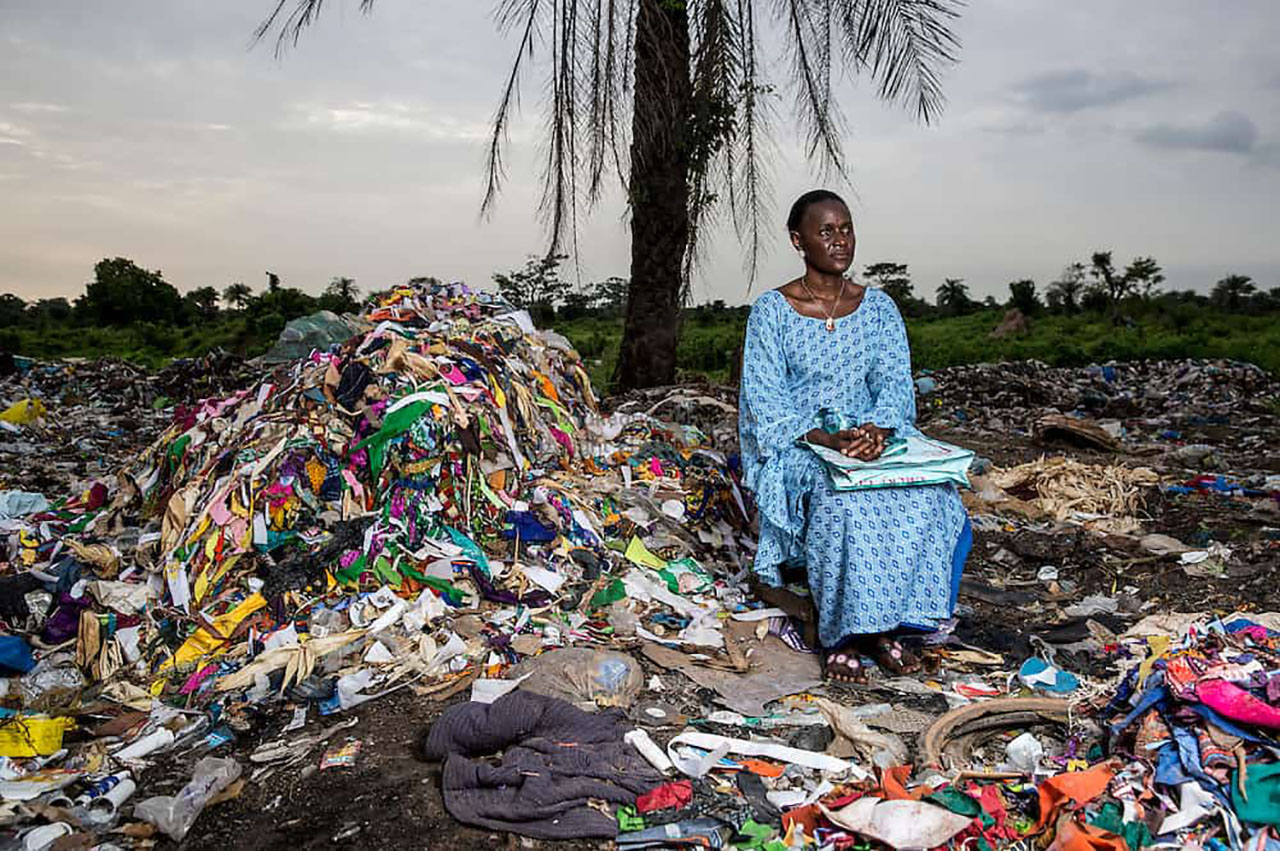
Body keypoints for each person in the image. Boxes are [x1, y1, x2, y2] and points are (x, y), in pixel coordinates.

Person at [739, 189, 972, 682]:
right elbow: (766, 404)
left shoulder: (879, 309)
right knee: (840, 500)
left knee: (935, 494)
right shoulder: (772, 312)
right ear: (798, 241)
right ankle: (842, 635)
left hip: (870, 440)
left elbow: (894, 386)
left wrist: (878, 431)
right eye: (826, 231)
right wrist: (828, 440)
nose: (840, 240)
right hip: (803, 444)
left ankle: (890, 626)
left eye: (845, 229)